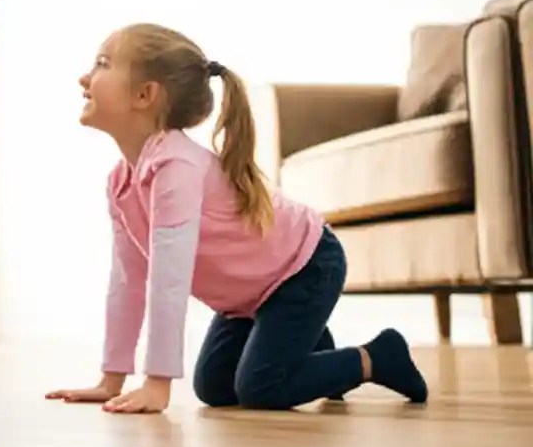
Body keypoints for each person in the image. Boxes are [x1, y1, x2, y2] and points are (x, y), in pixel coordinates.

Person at [46, 23, 428, 413]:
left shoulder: (176, 168)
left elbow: (168, 279)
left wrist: (156, 385)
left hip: (304, 267)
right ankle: (313, 348)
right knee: (214, 387)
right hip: (248, 294)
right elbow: (128, 280)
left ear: (145, 94)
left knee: (261, 388)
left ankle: (377, 356)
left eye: (102, 64)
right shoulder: (122, 182)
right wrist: (111, 380)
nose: (85, 77)